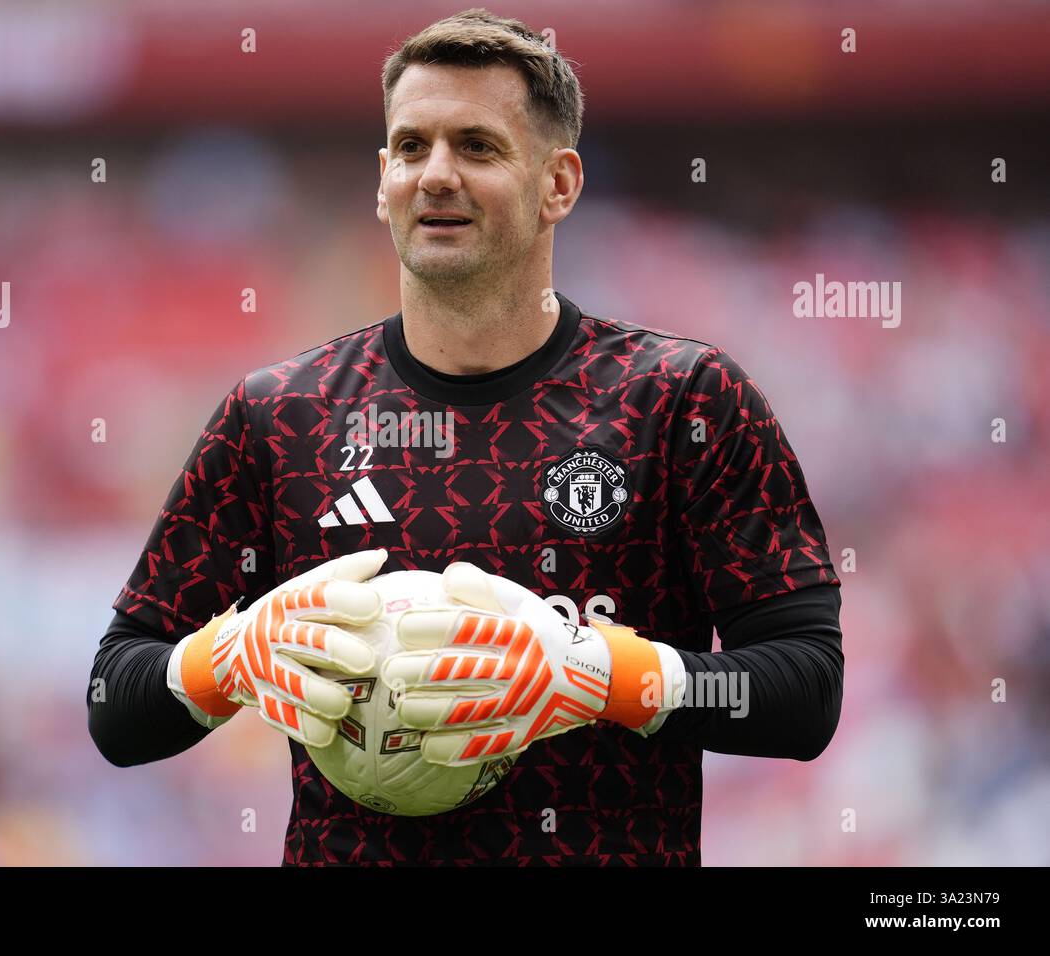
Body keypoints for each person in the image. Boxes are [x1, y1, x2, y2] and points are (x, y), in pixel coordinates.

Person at [88, 8, 843, 866]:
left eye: (478, 147)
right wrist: (219, 660)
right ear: (382, 181)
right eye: (411, 148)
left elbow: (806, 692)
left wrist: (603, 676)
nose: (436, 174)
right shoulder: (278, 416)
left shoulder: (682, 400)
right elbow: (115, 704)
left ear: (558, 183)